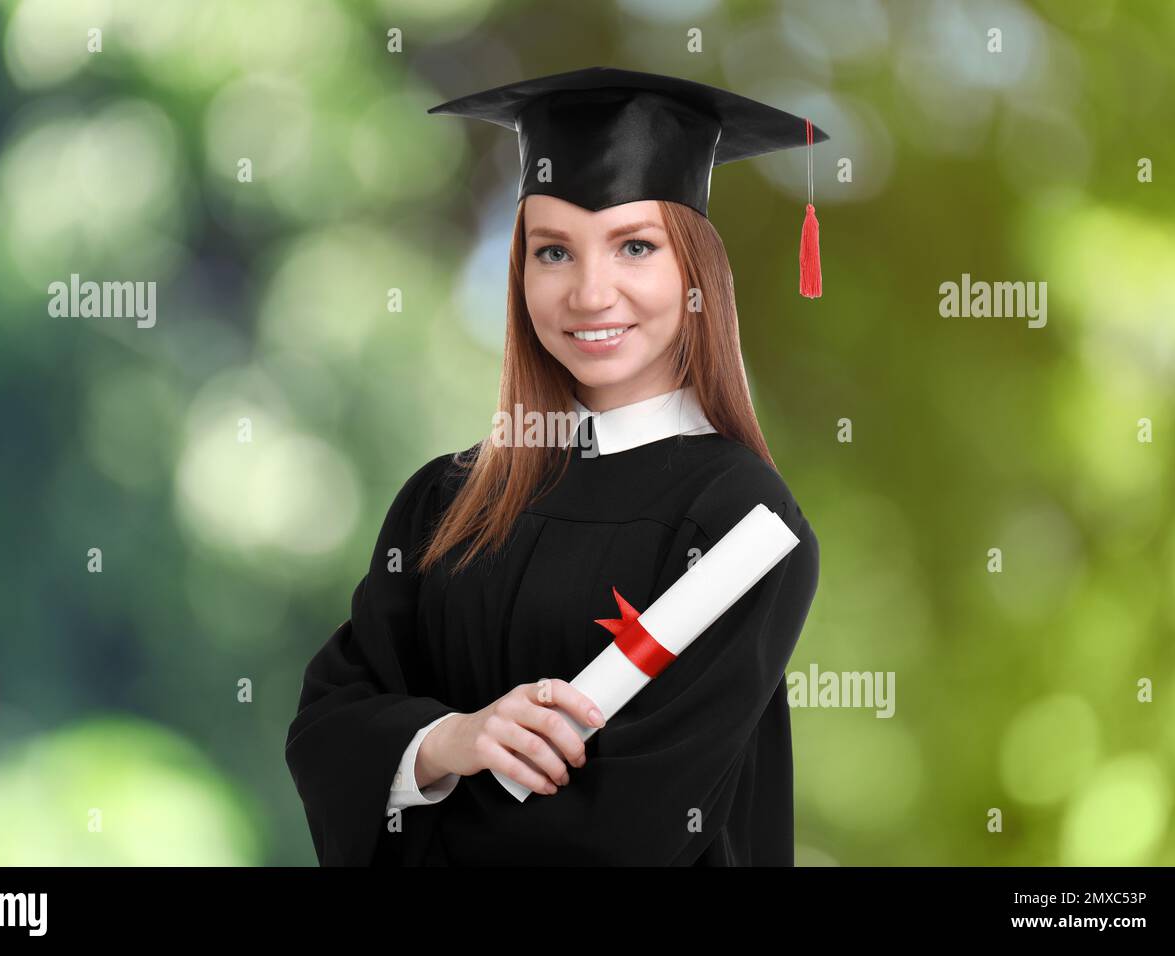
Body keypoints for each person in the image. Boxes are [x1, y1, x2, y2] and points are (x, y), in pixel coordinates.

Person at [285, 66, 825, 866]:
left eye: (636, 247)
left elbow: (630, 830)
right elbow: (329, 730)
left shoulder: (739, 523)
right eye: (553, 252)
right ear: (520, 273)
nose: (590, 292)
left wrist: (428, 807)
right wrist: (451, 741)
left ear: (696, 276)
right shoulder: (446, 502)